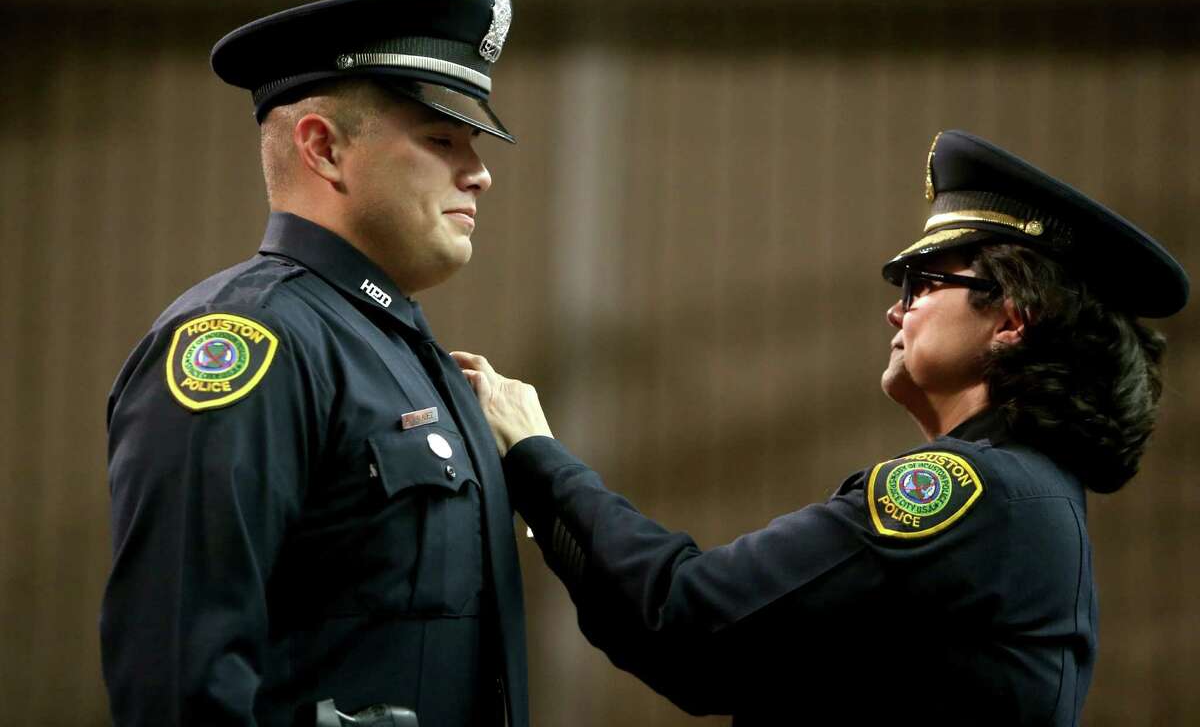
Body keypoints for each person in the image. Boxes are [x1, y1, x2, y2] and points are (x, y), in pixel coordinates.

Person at [452, 129, 1189, 726]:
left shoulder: (971, 491)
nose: (897, 311)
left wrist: (537, 456)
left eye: (926, 283)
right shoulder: (1031, 498)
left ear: (1013, 318)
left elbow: (687, 620)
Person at [101, 0, 528, 727]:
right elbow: (177, 677)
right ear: (325, 148)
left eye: (473, 144)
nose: (480, 172)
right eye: (441, 139)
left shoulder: (394, 348)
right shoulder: (249, 340)